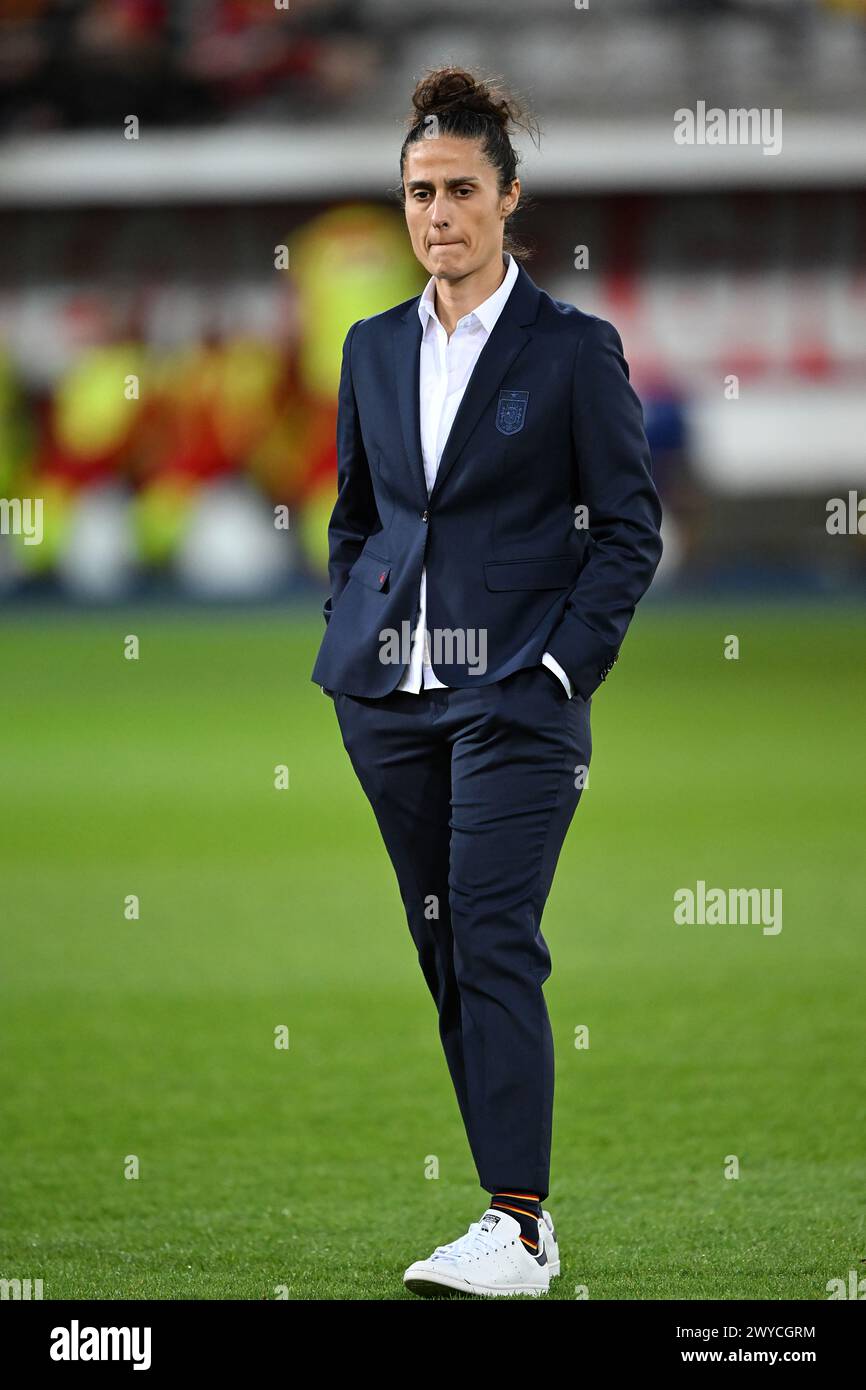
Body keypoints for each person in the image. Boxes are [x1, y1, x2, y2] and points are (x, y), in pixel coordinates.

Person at [311, 66, 663, 1298]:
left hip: (519, 697)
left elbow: (627, 530)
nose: (437, 213)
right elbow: (356, 519)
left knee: (495, 936)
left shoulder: (572, 351)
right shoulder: (366, 349)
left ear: (507, 199)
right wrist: (350, 641)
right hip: (388, 704)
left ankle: (517, 1225)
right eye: (418, 192)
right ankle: (506, 1213)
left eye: (461, 189)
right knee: (447, 947)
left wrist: (560, 668)